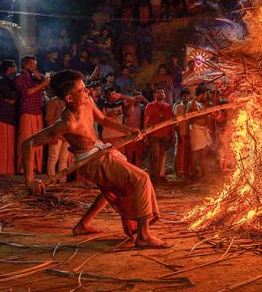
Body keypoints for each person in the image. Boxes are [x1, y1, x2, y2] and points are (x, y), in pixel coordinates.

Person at [21, 70, 169, 247]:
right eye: (82, 90)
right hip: (90, 161)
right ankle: (143, 236)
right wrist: (30, 180)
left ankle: (83, 225)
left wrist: (127, 130)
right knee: (141, 179)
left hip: (99, 150)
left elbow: (103, 119)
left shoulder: (88, 101)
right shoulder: (68, 123)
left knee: (112, 187)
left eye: (86, 88)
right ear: (69, 98)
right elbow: (28, 143)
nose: (88, 91)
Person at [14, 56, 50, 174]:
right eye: (32, 64)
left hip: (38, 111)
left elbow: (47, 86)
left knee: (37, 141)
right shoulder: (19, 77)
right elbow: (27, 92)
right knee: (25, 140)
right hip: (27, 111)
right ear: (25, 65)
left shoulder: (35, 77)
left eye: (35, 64)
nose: (35, 67)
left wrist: (41, 79)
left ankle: (36, 166)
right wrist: (41, 83)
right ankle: (23, 168)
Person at [143, 86, 174, 182]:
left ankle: (157, 176)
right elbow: (145, 123)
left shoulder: (168, 106)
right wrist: (145, 137)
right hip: (154, 136)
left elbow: (171, 122)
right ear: (155, 94)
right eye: (158, 92)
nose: (160, 94)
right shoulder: (150, 106)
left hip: (165, 136)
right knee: (155, 156)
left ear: (164, 95)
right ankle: (154, 177)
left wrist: (173, 135)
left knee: (161, 156)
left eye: (162, 92)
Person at [0, 60, 19, 176]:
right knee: (3, 144)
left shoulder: (8, 81)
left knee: (8, 144)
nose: (16, 69)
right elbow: (12, 97)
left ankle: (8, 169)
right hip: (4, 116)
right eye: (15, 67)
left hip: (9, 117)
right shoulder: (3, 81)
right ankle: (1, 170)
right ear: (9, 69)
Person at [186, 86, 212, 179]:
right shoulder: (192, 103)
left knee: (203, 153)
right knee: (195, 154)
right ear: (201, 94)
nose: (206, 96)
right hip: (196, 131)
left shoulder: (200, 103)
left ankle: (203, 173)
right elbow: (195, 116)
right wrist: (205, 115)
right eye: (205, 94)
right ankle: (194, 174)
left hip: (202, 130)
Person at [45, 94, 70, 175]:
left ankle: (62, 179)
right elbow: (49, 120)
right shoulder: (53, 101)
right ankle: (51, 178)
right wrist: (54, 134)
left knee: (63, 159)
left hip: (67, 134)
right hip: (57, 133)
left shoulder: (69, 101)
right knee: (53, 157)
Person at [173, 89, 192, 179]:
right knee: (179, 153)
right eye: (184, 96)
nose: (186, 97)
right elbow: (176, 122)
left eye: (187, 96)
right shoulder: (178, 107)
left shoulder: (190, 106)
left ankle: (186, 171)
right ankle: (178, 172)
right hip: (181, 132)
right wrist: (178, 134)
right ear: (181, 97)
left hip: (189, 133)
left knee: (187, 153)